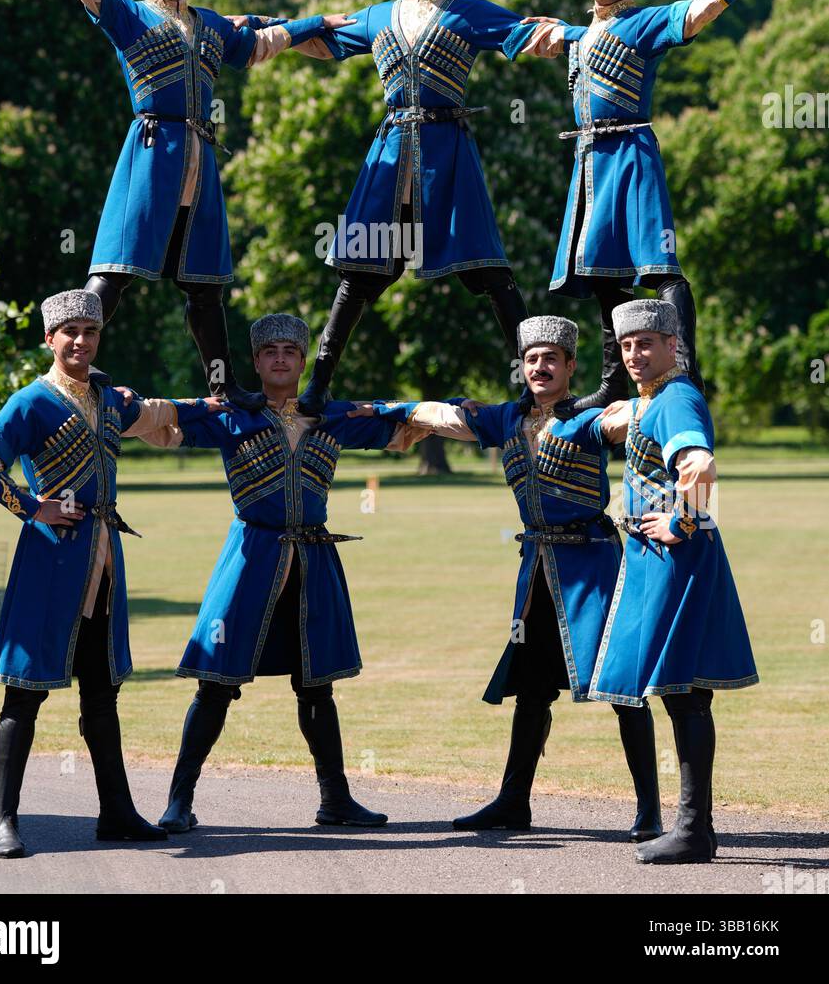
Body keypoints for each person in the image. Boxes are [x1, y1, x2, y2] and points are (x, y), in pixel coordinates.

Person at [22, 0, 351, 408]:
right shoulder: (126, 15)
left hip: (200, 158)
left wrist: (315, 23)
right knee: (113, 273)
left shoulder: (214, 25)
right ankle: (71, 374)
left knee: (205, 287)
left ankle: (222, 388)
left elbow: (261, 44)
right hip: (150, 153)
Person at [123, 313, 423, 830]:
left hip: (313, 562)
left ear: (304, 361)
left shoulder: (331, 416)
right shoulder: (229, 415)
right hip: (249, 559)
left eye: (290, 350)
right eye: (270, 351)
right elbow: (154, 426)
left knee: (316, 685)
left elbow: (404, 429)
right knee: (214, 681)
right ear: (257, 362)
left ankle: (336, 800)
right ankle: (179, 801)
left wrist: (429, 409)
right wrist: (123, 399)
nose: (281, 358)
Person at [372, 316, 662, 840]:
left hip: (593, 566)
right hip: (537, 575)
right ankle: (513, 802)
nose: (541, 367)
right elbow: (440, 417)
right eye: (532, 359)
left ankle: (649, 811)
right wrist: (376, 410)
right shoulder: (504, 419)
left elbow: (638, 418)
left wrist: (663, 398)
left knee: (623, 685)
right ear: (521, 368)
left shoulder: (590, 415)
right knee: (531, 688)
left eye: (551, 358)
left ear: (571, 366)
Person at [274, 0, 543, 414]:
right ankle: (317, 388)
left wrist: (579, 34)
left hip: (449, 157)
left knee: (490, 271)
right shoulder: (375, 17)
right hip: (391, 155)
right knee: (358, 272)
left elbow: (529, 35)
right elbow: (319, 46)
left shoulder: (468, 11)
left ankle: (536, 387)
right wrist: (271, 29)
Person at [520, 0, 782, 408]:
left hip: (632, 153)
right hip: (590, 162)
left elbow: (697, 12)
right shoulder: (579, 34)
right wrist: (547, 31)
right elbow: (554, 34)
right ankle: (614, 383)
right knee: (602, 274)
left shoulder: (645, 23)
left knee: (660, 268)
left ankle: (683, 369)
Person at [0, 289, 180, 857]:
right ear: (50, 339)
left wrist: (226, 400)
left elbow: (160, 414)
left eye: (91, 331)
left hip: (104, 561)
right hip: (48, 559)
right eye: (71, 333)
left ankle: (117, 812)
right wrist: (34, 507)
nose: (81, 341)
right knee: (25, 692)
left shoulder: (110, 399)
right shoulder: (30, 402)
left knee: (102, 693)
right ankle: (4, 822)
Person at [589, 299, 758, 864]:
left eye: (646, 344)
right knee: (681, 694)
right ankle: (694, 828)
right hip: (663, 561)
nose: (636, 355)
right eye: (627, 346)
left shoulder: (677, 397)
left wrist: (684, 520)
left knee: (685, 695)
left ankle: (693, 831)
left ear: (671, 347)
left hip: (677, 559)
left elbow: (701, 463)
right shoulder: (650, 401)